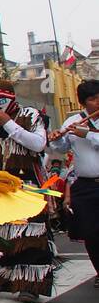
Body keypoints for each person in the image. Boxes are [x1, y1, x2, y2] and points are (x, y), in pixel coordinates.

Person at [0, 79, 55, 303]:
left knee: (31, 235)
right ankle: (3, 279)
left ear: (12, 98)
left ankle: (30, 284)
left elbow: (38, 144)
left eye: (3, 99)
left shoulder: (30, 115)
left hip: (26, 186)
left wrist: (9, 124)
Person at [49, 80, 99, 287]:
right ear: (83, 102)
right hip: (85, 185)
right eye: (92, 99)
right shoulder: (73, 121)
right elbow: (61, 149)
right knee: (91, 233)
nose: (97, 103)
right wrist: (56, 138)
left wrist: (87, 134)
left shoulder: (84, 127)